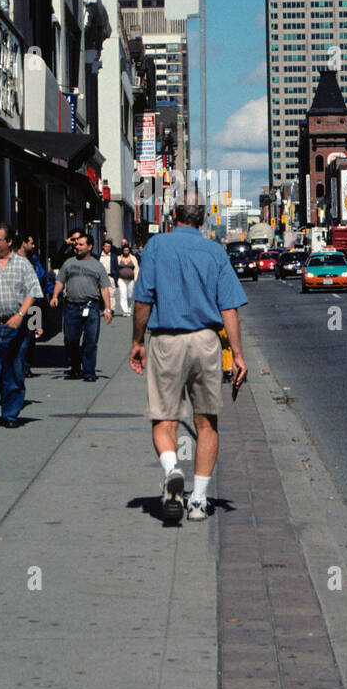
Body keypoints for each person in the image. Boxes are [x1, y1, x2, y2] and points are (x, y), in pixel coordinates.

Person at [129, 203, 248, 525]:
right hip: (207, 341)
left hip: (167, 340)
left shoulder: (156, 245)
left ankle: (172, 471)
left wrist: (137, 341)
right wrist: (237, 355)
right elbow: (230, 308)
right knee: (207, 422)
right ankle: (198, 500)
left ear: (174, 218)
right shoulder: (214, 251)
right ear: (203, 220)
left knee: (164, 420)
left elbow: (143, 299)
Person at [0, 222, 42, 427]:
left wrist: (23, 316)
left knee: (14, 370)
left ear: (9, 241)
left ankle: (10, 414)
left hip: (17, 325)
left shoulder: (23, 264)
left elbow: (33, 292)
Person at [50, 233, 113, 381]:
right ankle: (75, 367)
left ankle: (89, 372)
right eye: (76, 244)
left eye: (80, 244)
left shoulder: (97, 266)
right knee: (71, 340)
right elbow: (60, 281)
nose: (77, 247)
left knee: (90, 341)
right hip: (71, 306)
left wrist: (108, 309)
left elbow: (104, 288)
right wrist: (54, 296)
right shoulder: (69, 263)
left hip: (91, 307)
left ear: (89, 247)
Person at [117, 242, 140, 317]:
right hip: (121, 279)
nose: (126, 252)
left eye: (127, 250)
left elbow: (136, 268)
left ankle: (129, 309)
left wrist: (136, 278)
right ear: (122, 251)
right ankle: (125, 311)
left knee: (130, 295)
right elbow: (116, 268)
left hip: (131, 279)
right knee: (123, 294)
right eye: (124, 250)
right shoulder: (119, 258)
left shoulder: (133, 258)